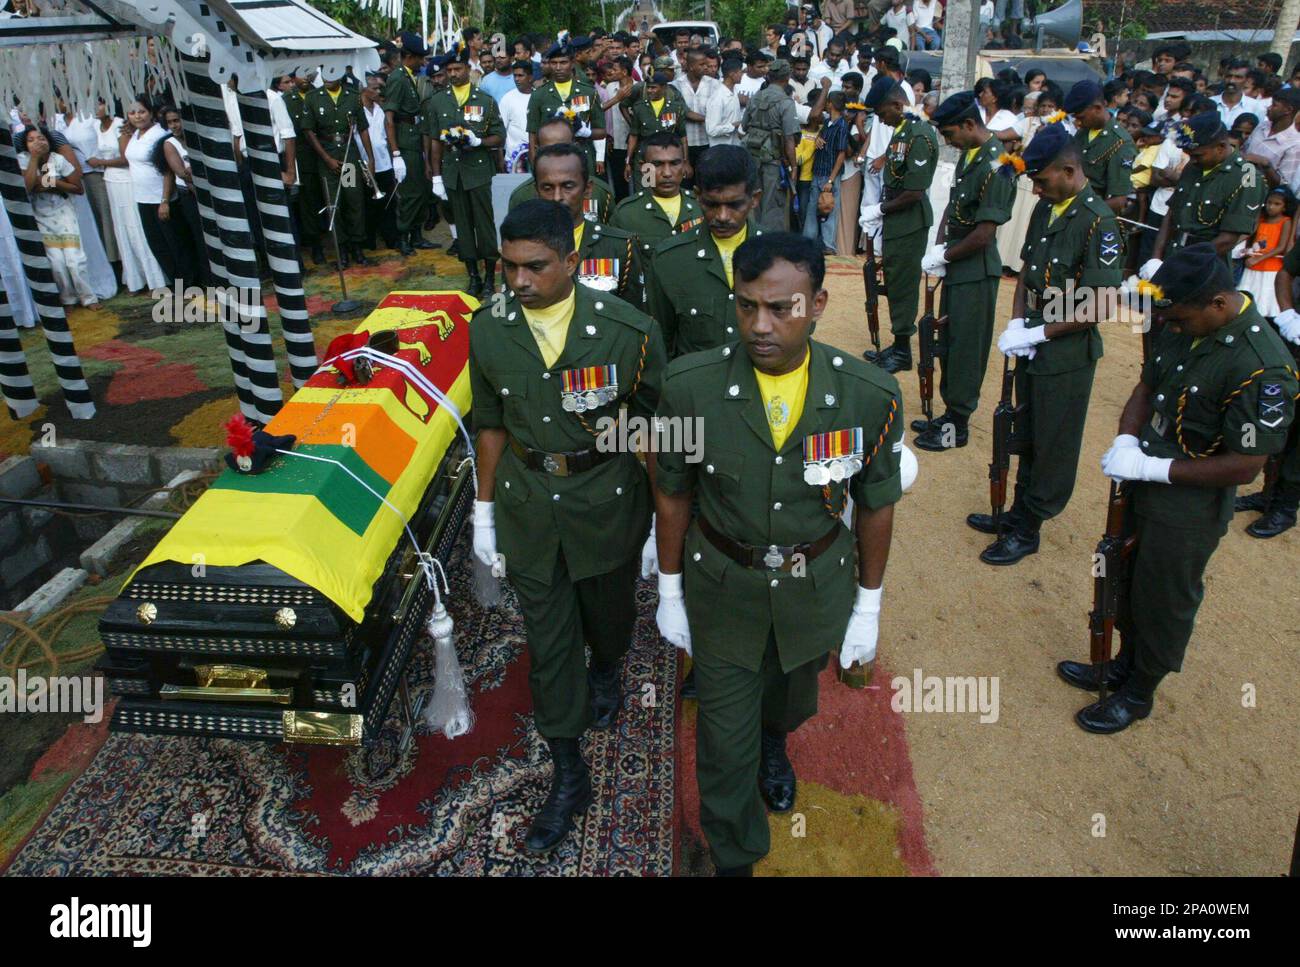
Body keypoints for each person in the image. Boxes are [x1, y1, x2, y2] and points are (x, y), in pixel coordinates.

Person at [651, 231, 903, 875]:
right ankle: (735, 858)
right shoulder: (689, 388)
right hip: (725, 589)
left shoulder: (868, 395)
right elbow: (674, 491)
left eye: (780, 308)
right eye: (745, 307)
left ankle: (775, 742)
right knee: (721, 742)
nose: (760, 326)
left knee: (789, 701)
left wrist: (868, 608)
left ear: (818, 303)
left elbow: (875, 502)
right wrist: (670, 589)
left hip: (812, 586)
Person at [468, 198, 666, 853]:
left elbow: (654, 427)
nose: (518, 280)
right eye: (508, 266)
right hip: (529, 504)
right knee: (550, 648)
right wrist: (484, 511)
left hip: (606, 498)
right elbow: (491, 421)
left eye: (535, 267)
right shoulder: (489, 327)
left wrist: (662, 529)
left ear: (573, 262)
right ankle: (569, 773)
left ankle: (609, 663)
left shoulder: (628, 330)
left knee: (608, 620)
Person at [1065, 245, 1297, 732]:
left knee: (1164, 595)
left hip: (1188, 504)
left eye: (1179, 316)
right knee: (1123, 575)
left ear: (1217, 303)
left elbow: (1246, 464)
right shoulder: (1181, 324)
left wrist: (1154, 469)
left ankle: (1141, 689)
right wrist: (1129, 438)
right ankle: (1123, 661)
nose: (1170, 324)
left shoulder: (1262, 365)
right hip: (1142, 475)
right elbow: (1148, 386)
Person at [969, 123, 1123, 566]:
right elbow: (1026, 274)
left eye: (1041, 179)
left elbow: (1102, 303)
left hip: (1067, 352)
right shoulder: (1047, 208)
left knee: (1053, 441)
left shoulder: (1098, 222)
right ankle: (1018, 510)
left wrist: (1039, 333)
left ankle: (1031, 525)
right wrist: (1018, 321)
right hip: (1036, 341)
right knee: (1027, 432)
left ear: (1069, 169)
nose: (1035, 189)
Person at [916, 91, 1016, 452]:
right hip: (959, 264)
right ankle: (949, 412)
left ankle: (957, 424)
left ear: (970, 124)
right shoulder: (970, 156)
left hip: (976, 271)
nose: (947, 141)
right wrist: (939, 245)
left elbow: (985, 232)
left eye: (949, 133)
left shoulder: (998, 165)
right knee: (948, 343)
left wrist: (948, 255)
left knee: (965, 349)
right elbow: (954, 209)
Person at [647, 145, 765, 358]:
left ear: (754, 199)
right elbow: (660, 341)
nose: (722, 216)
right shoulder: (669, 260)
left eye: (734, 205)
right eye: (712, 205)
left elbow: (800, 326)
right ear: (698, 196)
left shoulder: (783, 259)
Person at [860, 76, 939, 374]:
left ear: (896, 104)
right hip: (897, 218)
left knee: (903, 284)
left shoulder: (918, 135)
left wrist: (880, 209)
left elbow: (915, 192)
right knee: (893, 279)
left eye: (882, 113)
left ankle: (904, 350)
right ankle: (898, 342)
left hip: (909, 220)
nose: (880, 119)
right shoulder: (901, 131)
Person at [1143, 111, 1266, 275]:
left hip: (1205, 266)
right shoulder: (1195, 166)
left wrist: (1180, 267)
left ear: (1221, 147)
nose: (1192, 160)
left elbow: (1228, 239)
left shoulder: (1248, 176)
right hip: (1173, 254)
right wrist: (1156, 259)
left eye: (1197, 155)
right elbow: (1171, 214)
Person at [429, 47, 504, 297]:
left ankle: (490, 276)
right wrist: (436, 175)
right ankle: (472, 276)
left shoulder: (484, 100)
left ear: (468, 70)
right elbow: (434, 141)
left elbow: (499, 136)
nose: (453, 74)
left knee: (484, 225)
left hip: (479, 171)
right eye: (448, 70)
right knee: (462, 225)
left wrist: (478, 142)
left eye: (457, 69)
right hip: (453, 173)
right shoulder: (438, 101)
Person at [532, 143, 644, 305]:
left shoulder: (619, 247)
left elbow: (636, 317)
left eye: (568, 186)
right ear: (536, 191)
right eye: (548, 188)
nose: (557, 197)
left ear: (587, 189)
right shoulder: (523, 248)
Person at [88, 101, 165, 294]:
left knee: (136, 228)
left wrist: (101, 162)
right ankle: (135, 278)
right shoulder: (96, 127)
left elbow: (125, 158)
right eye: (133, 112)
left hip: (127, 180)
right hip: (111, 182)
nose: (136, 115)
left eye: (99, 104)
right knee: (122, 230)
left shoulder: (121, 127)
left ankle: (155, 279)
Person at [17, 126, 98, 306]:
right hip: (40, 214)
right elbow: (28, 187)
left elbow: (78, 188)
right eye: (31, 140)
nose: (38, 142)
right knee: (56, 263)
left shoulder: (58, 159)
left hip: (64, 212)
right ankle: (67, 299)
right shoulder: (23, 160)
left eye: (41, 138)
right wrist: (35, 160)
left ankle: (88, 297)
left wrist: (53, 182)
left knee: (74, 259)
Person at [303, 72, 376, 268]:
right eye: (325, 73)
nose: (328, 77)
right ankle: (341, 251)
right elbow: (309, 131)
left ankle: (357, 247)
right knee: (334, 204)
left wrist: (370, 158)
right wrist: (326, 159)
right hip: (327, 156)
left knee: (353, 201)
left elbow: (363, 129)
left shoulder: (352, 97)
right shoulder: (313, 97)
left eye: (333, 73)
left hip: (348, 156)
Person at [611, 131, 703, 278]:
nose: (667, 173)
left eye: (674, 163)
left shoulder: (701, 206)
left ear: (684, 164)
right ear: (643, 168)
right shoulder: (625, 214)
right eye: (657, 164)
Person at [123, 99, 183, 287]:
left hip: (162, 197)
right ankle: (175, 284)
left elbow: (167, 172)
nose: (137, 116)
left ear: (150, 113)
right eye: (132, 113)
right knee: (157, 245)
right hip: (142, 198)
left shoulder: (160, 135)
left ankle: (189, 283)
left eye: (141, 112)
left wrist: (164, 200)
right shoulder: (135, 135)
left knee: (175, 243)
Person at [509, 116, 614, 221]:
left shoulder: (600, 192)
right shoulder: (521, 196)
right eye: (549, 150)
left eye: (563, 149)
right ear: (538, 150)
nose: (556, 157)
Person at [526, 44, 605, 179]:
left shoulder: (588, 92)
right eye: (554, 63)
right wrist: (536, 168)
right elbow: (533, 137)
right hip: (550, 159)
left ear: (572, 63)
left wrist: (587, 133)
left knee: (586, 199)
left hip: (581, 157)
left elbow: (602, 132)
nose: (558, 68)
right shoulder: (539, 95)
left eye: (563, 63)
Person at [742, 59, 800, 232]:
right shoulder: (785, 102)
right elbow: (789, 138)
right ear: (787, 77)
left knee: (754, 200)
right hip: (773, 159)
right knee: (773, 203)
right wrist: (794, 166)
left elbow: (744, 126)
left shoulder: (756, 97)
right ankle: (771, 246)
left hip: (752, 156)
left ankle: (754, 236)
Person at [1065, 79, 1138, 215]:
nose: (1078, 122)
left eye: (1081, 117)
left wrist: (1078, 213)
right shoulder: (1084, 132)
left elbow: (1118, 201)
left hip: (1087, 217)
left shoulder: (1120, 143)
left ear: (1097, 108)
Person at [285, 72, 326, 265]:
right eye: (302, 74)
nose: (306, 78)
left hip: (330, 157)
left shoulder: (320, 94)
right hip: (305, 160)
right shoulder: (286, 100)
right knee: (309, 204)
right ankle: (316, 246)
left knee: (338, 195)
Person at [625, 70, 689, 193]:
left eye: (654, 88)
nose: (650, 91)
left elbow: (683, 137)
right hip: (647, 159)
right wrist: (628, 161)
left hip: (668, 158)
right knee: (646, 192)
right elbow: (634, 136)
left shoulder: (676, 108)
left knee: (668, 192)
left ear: (664, 88)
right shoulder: (639, 107)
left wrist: (685, 161)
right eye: (648, 88)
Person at [1237, 186, 1294, 317]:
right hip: (1253, 265)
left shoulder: (1286, 221)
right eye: (1269, 202)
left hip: (1270, 267)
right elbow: (1250, 235)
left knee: (1266, 301)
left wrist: (1258, 258)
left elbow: (1281, 247)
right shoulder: (1261, 219)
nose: (1271, 207)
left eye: (1277, 204)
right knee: (1249, 297)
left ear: (1285, 207)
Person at [803, 91, 850, 251]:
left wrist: (831, 179)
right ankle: (810, 243)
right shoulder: (829, 122)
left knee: (828, 209)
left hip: (829, 173)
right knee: (813, 207)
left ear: (831, 104)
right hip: (818, 171)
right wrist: (817, 139)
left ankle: (828, 245)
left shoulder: (842, 125)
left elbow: (841, 153)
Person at [359, 72, 399, 252]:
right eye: (374, 88)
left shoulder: (380, 109)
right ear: (363, 89)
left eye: (379, 88)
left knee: (388, 203)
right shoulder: (355, 110)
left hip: (384, 163)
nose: (378, 91)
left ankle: (390, 238)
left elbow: (387, 134)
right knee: (363, 204)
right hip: (360, 165)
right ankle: (366, 241)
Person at [705, 57, 744, 148]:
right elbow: (712, 130)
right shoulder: (717, 98)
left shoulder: (734, 91)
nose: (742, 75)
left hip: (734, 146)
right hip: (720, 149)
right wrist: (734, 125)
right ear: (731, 74)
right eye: (740, 72)